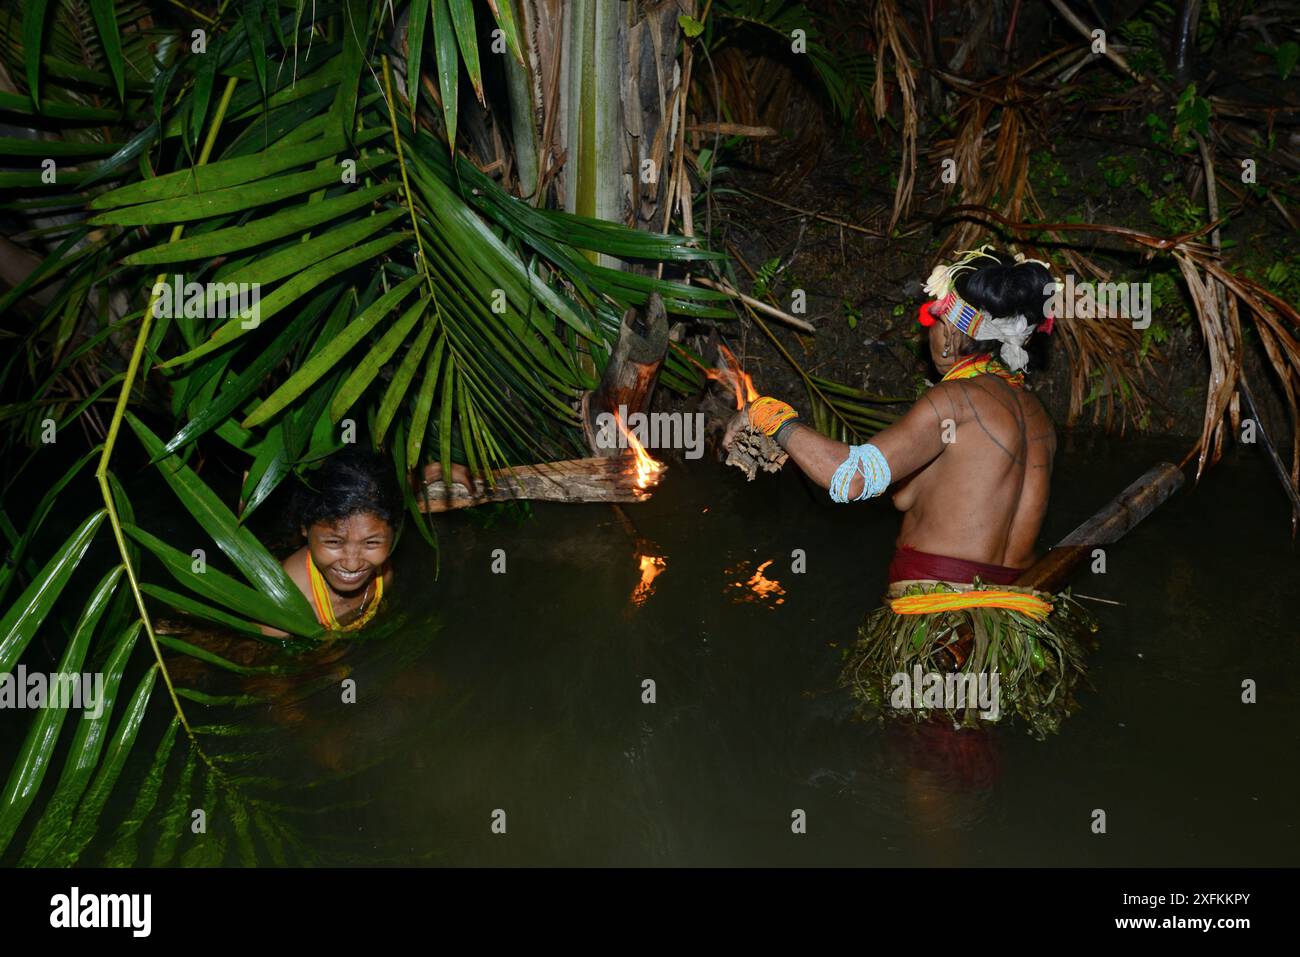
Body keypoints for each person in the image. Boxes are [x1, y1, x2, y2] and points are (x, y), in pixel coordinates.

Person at [723, 245, 1093, 737]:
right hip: (1001, 631)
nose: (927, 331)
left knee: (929, 775)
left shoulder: (957, 400)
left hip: (940, 629)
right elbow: (913, 497)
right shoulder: (1035, 416)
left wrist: (772, 417)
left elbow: (850, 479)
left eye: (931, 317)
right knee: (961, 753)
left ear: (955, 329)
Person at [261, 448, 400, 637]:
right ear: (305, 528)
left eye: (371, 543)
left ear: (394, 533)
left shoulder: (384, 573)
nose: (352, 564)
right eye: (334, 542)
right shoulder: (282, 615)